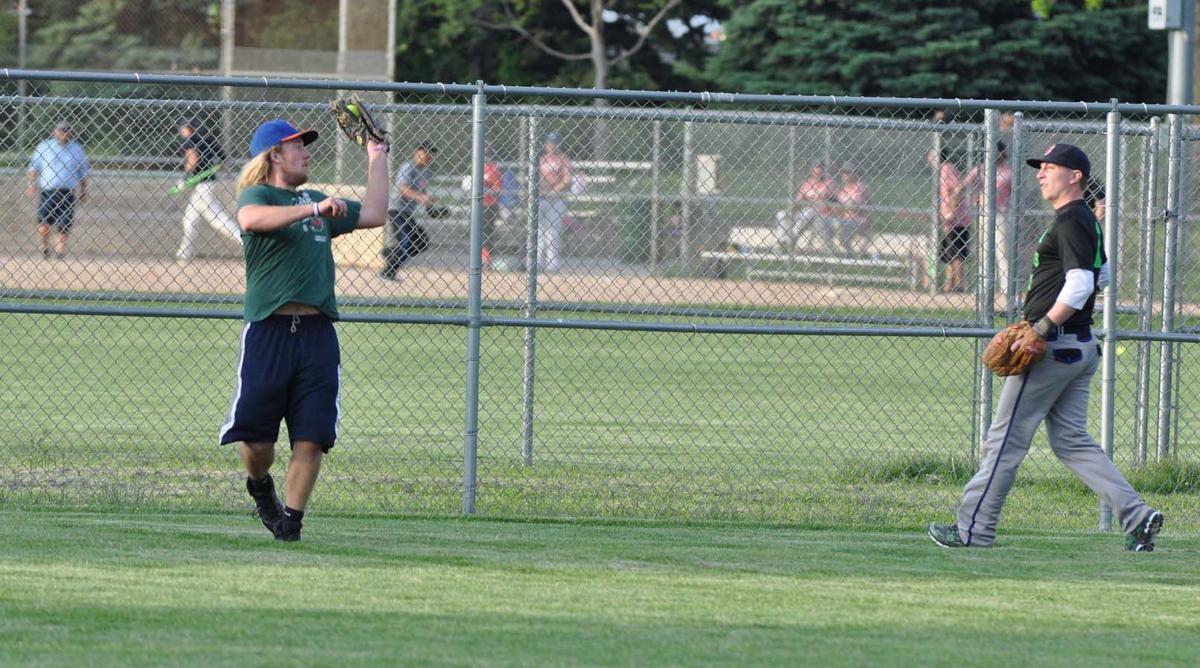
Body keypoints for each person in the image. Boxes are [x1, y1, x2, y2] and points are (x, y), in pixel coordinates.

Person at [928, 143, 1163, 552]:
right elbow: (1103, 276)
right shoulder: (1084, 221)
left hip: (1051, 349)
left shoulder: (1072, 221)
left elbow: (1083, 284)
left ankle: (972, 531)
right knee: (1071, 441)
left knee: (1004, 441)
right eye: (1040, 167)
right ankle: (1139, 517)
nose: (1041, 173)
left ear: (1075, 176)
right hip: (1080, 347)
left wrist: (1040, 327)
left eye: (1051, 167)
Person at [219, 119, 390, 541]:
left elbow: (374, 213)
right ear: (274, 155)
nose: (307, 153)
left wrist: (376, 158)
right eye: (298, 147)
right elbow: (251, 219)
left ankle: (290, 526)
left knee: (311, 437)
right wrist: (313, 209)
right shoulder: (260, 195)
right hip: (268, 332)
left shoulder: (316, 199)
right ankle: (261, 487)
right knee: (258, 445)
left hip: (316, 335)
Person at [175, 118, 242, 262]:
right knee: (190, 218)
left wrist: (185, 178)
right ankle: (184, 252)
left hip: (203, 185)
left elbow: (192, 160)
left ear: (188, 128)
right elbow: (223, 157)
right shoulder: (208, 139)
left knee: (218, 219)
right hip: (207, 184)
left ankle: (243, 240)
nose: (181, 131)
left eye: (183, 128)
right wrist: (217, 166)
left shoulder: (189, 140)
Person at [26, 121, 89, 260]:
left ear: (70, 132)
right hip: (48, 191)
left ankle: (60, 253)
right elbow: (34, 168)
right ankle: (44, 248)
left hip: (67, 192)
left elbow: (83, 172)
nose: (63, 133)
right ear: (54, 131)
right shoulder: (44, 147)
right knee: (44, 220)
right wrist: (31, 184)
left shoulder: (76, 149)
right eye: (60, 130)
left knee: (64, 223)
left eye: (66, 130)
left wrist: (83, 190)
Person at [380, 141, 437, 280]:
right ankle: (388, 271)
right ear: (417, 152)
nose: (429, 155)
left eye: (431, 153)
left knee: (421, 242)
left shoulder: (425, 172)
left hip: (408, 213)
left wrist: (432, 208)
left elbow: (423, 194)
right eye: (426, 152)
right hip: (397, 209)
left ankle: (389, 253)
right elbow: (403, 188)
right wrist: (422, 198)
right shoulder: (408, 167)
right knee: (405, 242)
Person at [963, 141, 1014, 293]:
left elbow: (1015, 195)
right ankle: (984, 287)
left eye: (998, 151)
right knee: (983, 251)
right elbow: (965, 184)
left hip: (1001, 214)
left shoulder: (1008, 172)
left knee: (1001, 250)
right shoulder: (982, 169)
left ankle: (1006, 288)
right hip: (984, 213)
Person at [928, 147, 971, 293]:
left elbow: (957, 189)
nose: (928, 158)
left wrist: (951, 211)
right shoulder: (942, 171)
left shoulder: (947, 169)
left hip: (957, 220)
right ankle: (949, 284)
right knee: (949, 253)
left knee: (957, 253)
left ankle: (960, 285)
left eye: (931, 155)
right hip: (950, 219)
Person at [774, 163, 836, 252]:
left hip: (820, 215)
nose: (818, 171)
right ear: (811, 170)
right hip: (804, 215)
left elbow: (833, 202)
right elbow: (798, 201)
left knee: (808, 211)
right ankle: (781, 243)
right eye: (816, 168)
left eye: (821, 168)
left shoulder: (829, 183)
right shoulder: (807, 183)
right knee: (781, 214)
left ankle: (789, 238)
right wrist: (791, 210)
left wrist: (813, 200)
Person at [537, 131, 573, 272]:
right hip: (541, 198)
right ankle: (537, 262)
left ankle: (552, 264)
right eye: (549, 143)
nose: (551, 145)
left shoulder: (563, 159)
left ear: (558, 144)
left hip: (557, 199)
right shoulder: (541, 159)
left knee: (553, 231)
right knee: (540, 231)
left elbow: (567, 179)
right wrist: (542, 190)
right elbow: (538, 178)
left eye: (554, 143)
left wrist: (554, 191)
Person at [829, 166, 873, 255]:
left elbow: (855, 208)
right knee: (829, 222)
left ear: (856, 174)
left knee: (840, 224)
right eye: (844, 173)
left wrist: (842, 207)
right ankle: (829, 252)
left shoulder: (860, 187)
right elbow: (839, 211)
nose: (846, 175)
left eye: (849, 172)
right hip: (845, 221)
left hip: (860, 221)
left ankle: (849, 253)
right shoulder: (842, 190)